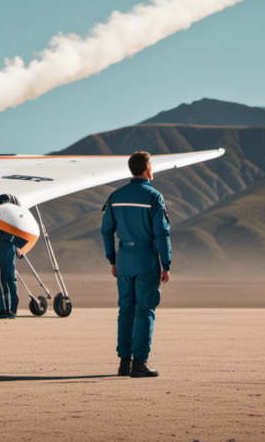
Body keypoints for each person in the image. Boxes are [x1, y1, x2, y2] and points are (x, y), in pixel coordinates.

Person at [100, 151, 171, 377]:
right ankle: (139, 364)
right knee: (145, 309)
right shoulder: (154, 196)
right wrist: (166, 263)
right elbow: (162, 233)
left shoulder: (116, 195)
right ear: (146, 169)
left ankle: (124, 363)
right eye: (152, 166)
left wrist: (112, 259)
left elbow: (106, 230)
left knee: (126, 309)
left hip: (124, 257)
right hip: (145, 257)